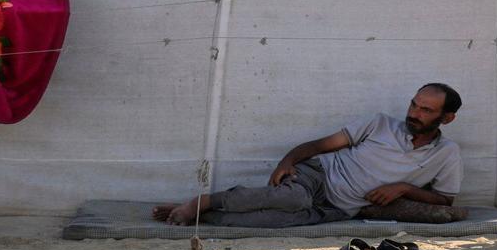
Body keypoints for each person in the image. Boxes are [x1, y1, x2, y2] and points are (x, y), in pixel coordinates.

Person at [153, 83, 464, 228]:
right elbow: (318, 146)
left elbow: (445, 200)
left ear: (446, 118)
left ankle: (201, 216)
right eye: (414, 104)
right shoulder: (380, 123)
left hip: (343, 208)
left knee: (275, 222)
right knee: (293, 200)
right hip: (317, 177)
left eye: (426, 110)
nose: (414, 113)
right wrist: (287, 162)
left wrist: (405, 189)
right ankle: (200, 202)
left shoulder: (447, 154)